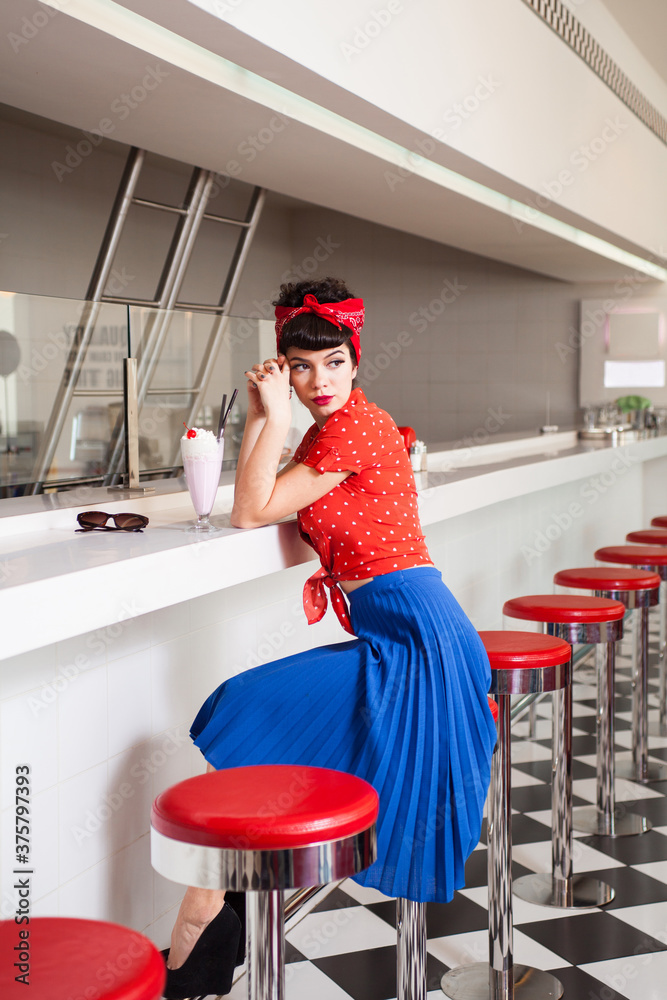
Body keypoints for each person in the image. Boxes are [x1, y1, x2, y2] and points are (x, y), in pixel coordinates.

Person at [162, 277, 497, 999]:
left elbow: (249, 511)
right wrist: (262, 414)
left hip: (421, 643)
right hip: (400, 635)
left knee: (247, 707)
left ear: (355, 359)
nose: (320, 381)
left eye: (335, 362)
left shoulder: (354, 427)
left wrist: (272, 414)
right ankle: (214, 921)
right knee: (250, 712)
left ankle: (208, 925)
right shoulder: (324, 431)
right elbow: (256, 505)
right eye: (301, 365)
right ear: (281, 362)